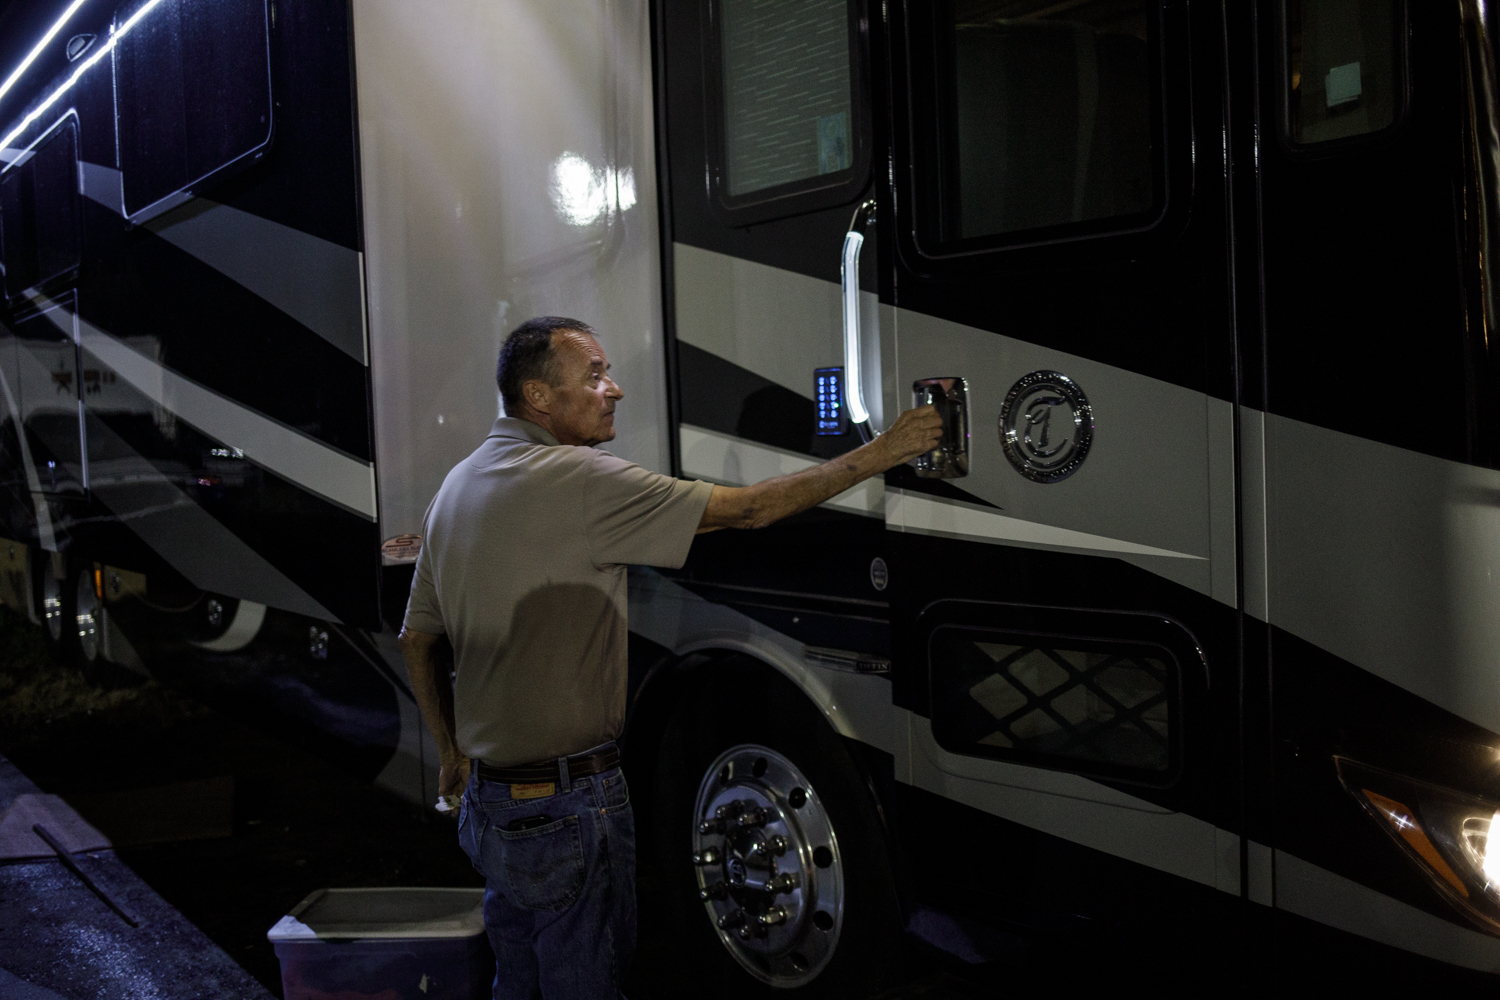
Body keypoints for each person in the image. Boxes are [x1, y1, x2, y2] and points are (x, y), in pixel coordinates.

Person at [399, 316, 942, 999]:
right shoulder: (577, 478)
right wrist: (883, 452)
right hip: (569, 807)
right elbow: (748, 512)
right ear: (539, 398)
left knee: (520, 984)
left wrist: (449, 752)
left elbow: (416, 639)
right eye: (594, 376)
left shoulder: (457, 487)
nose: (614, 389)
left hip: (492, 804)